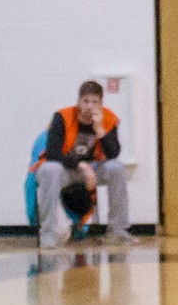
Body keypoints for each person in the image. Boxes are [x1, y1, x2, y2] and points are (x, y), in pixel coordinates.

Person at [34, 80, 129, 246]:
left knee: (117, 168)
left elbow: (113, 153)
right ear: (78, 102)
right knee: (50, 169)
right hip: (67, 169)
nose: (89, 106)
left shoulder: (108, 119)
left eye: (95, 102)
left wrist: (99, 128)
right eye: (85, 101)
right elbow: (52, 153)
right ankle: (48, 234)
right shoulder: (62, 117)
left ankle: (117, 231)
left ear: (101, 104)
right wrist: (82, 166)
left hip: (94, 169)